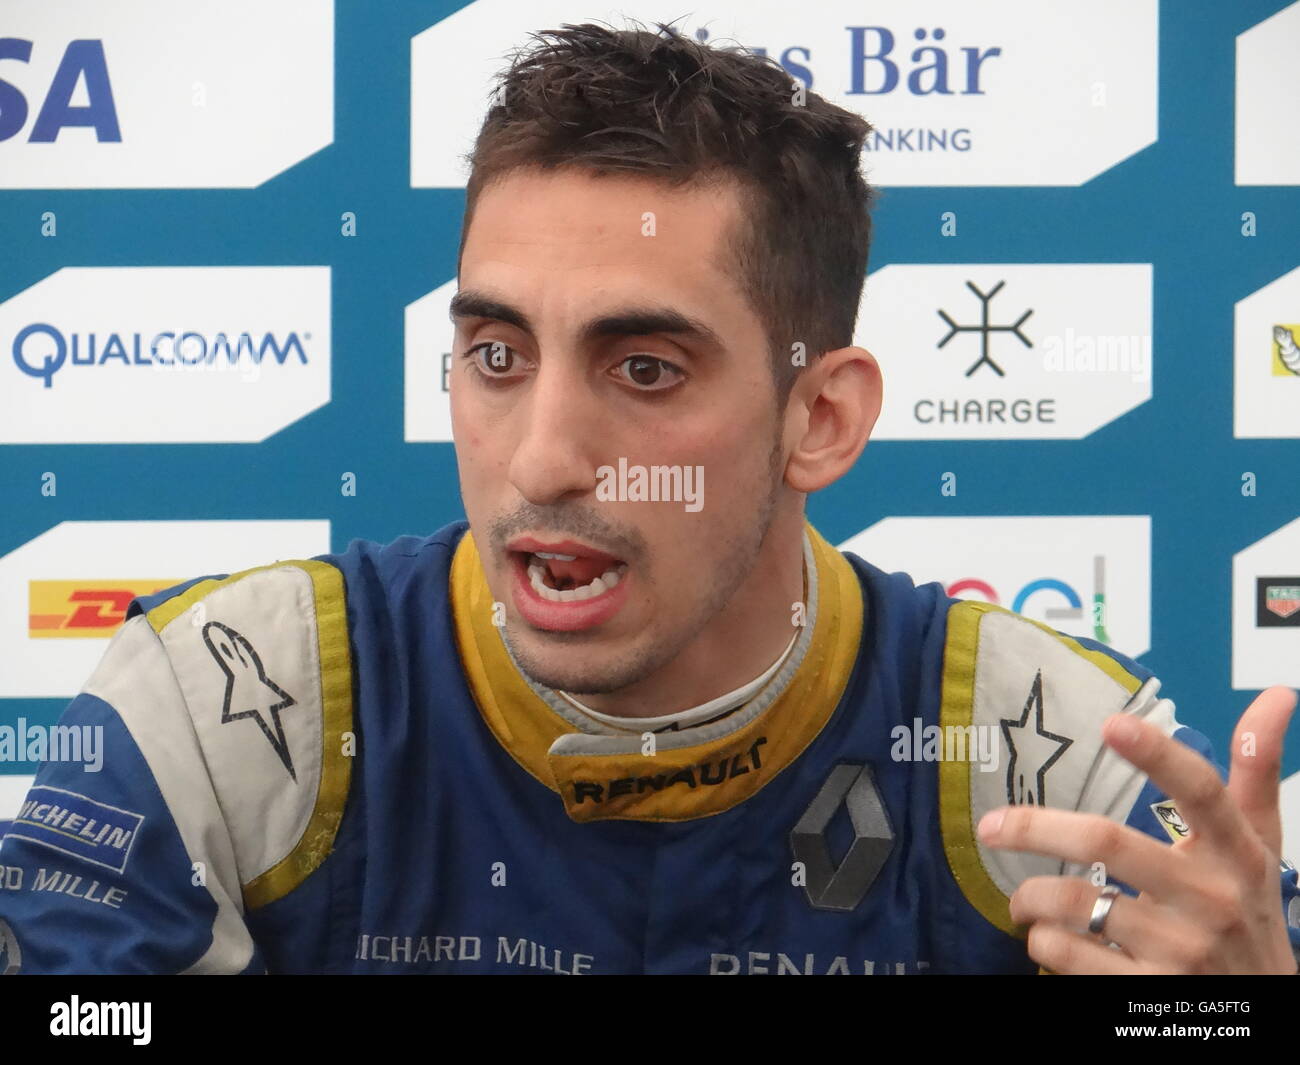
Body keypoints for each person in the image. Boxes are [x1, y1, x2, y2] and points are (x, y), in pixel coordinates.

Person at [0, 21, 1296, 976]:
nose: (545, 456)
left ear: (821, 416)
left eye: (646, 367)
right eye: (497, 354)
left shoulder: (1057, 754)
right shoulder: (219, 704)